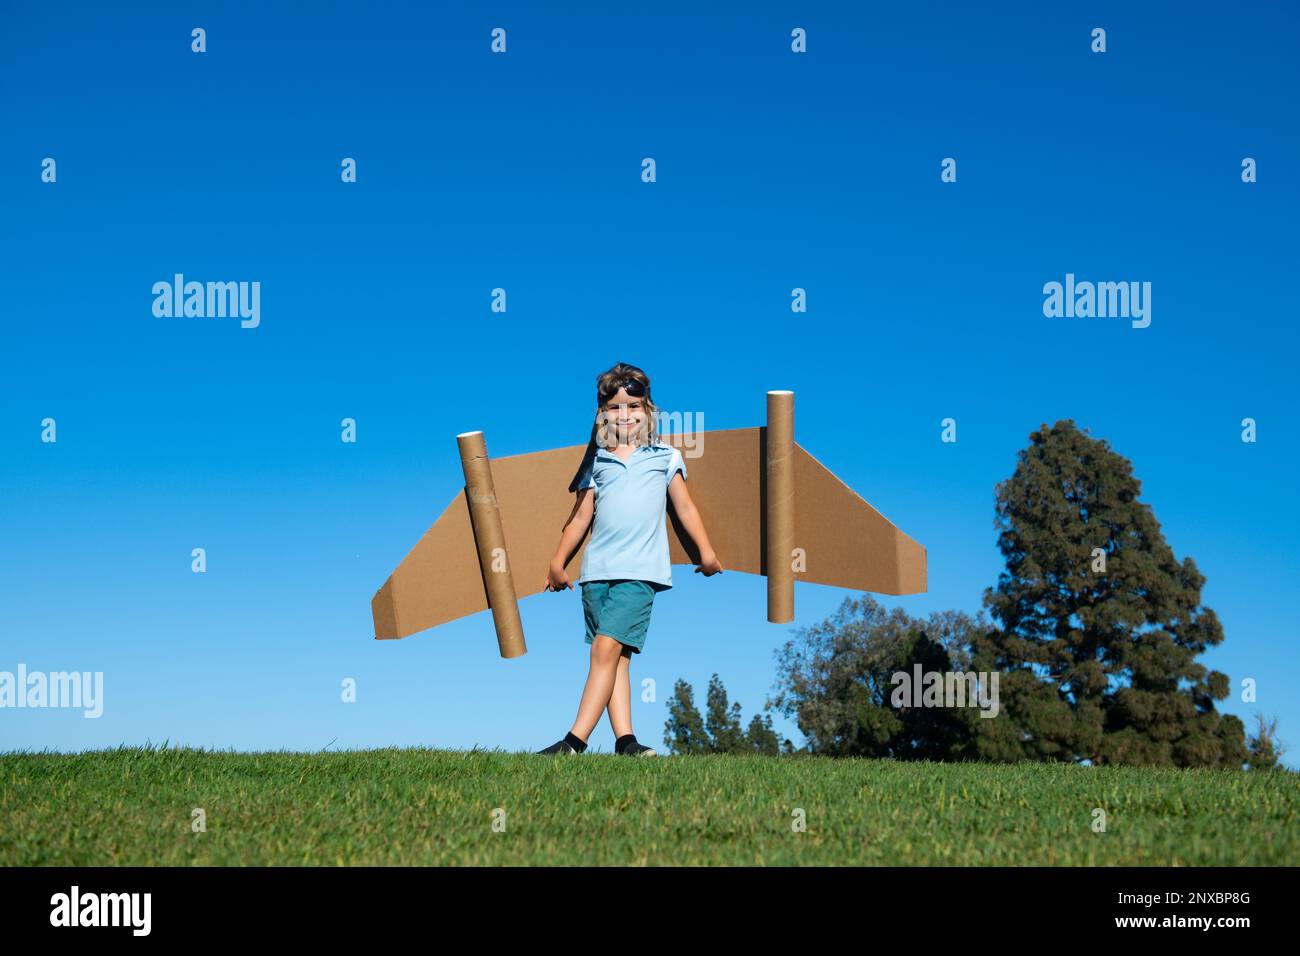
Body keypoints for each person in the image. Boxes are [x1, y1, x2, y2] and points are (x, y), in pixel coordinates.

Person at [536, 363, 723, 756]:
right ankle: (626, 742)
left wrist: (706, 553)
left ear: (648, 410)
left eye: (634, 406)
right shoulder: (597, 463)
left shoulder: (665, 457)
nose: (625, 415)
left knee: (603, 650)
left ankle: (573, 742)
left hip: (639, 573)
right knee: (616, 659)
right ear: (602, 414)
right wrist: (558, 562)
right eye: (616, 408)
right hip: (595, 575)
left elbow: (685, 510)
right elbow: (580, 518)